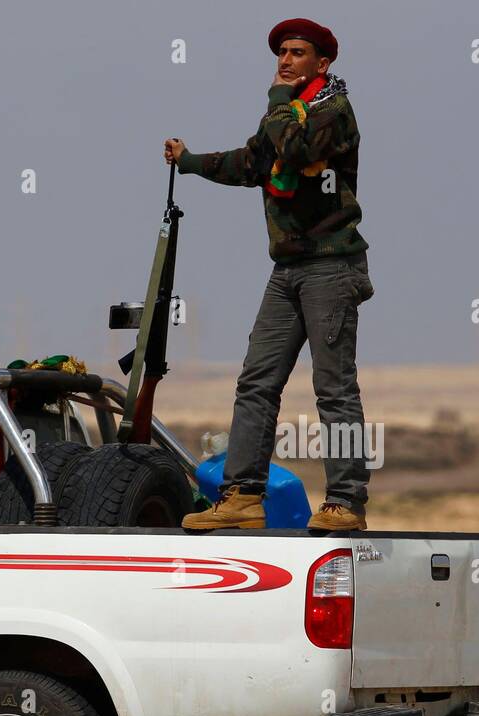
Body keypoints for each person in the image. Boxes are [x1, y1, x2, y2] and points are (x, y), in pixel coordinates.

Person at [164, 17, 374, 531]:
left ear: (322, 64)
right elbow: (252, 163)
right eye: (281, 52)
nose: (285, 61)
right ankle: (242, 497)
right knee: (257, 381)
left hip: (331, 264)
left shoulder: (333, 111)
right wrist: (189, 161)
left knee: (334, 389)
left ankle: (346, 501)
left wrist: (278, 98)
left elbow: (298, 148)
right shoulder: (284, 114)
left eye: (298, 53)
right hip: (288, 269)